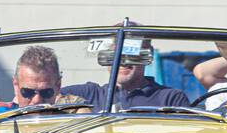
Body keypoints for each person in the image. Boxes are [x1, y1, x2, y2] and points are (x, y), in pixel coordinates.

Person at [61, 24, 191, 111]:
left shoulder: (171, 99)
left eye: (131, 53)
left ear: (147, 54)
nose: (122, 62)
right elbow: (45, 93)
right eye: (114, 54)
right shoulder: (88, 95)